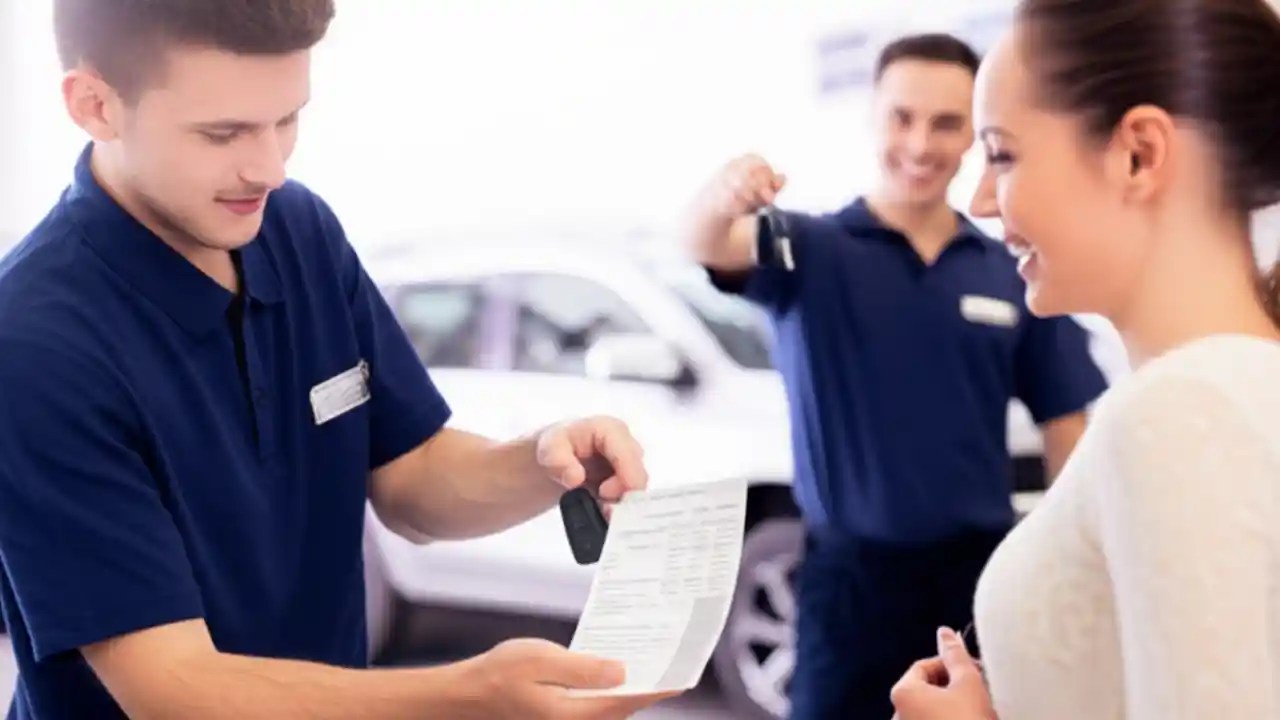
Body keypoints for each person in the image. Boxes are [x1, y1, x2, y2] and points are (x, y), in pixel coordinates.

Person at [0, 2, 677, 718]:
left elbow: (412, 480)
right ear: (94, 104)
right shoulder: (33, 343)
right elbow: (175, 690)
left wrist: (542, 462)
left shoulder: (297, 230)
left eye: (287, 119)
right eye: (222, 133)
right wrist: (468, 695)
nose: (268, 167)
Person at [685, 33, 1109, 720]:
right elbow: (704, 242)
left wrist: (1064, 563)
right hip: (846, 583)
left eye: (945, 123)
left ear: (973, 130)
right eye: (902, 117)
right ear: (873, 118)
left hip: (977, 582)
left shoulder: (1006, 265)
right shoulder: (809, 247)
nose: (920, 143)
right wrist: (723, 194)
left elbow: (1068, 425)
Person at [889, 1, 1280, 718]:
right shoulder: (1229, 386)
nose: (977, 198)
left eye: (1002, 154)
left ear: (1139, 153)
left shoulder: (1182, 409)